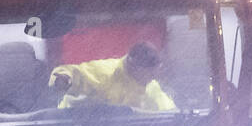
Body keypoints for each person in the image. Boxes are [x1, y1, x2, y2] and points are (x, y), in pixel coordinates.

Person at [48, 41, 176, 111]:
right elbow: (69, 72)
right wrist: (63, 79)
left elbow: (169, 113)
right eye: (151, 73)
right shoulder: (104, 73)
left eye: (156, 72)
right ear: (133, 65)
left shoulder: (151, 86)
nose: (154, 77)